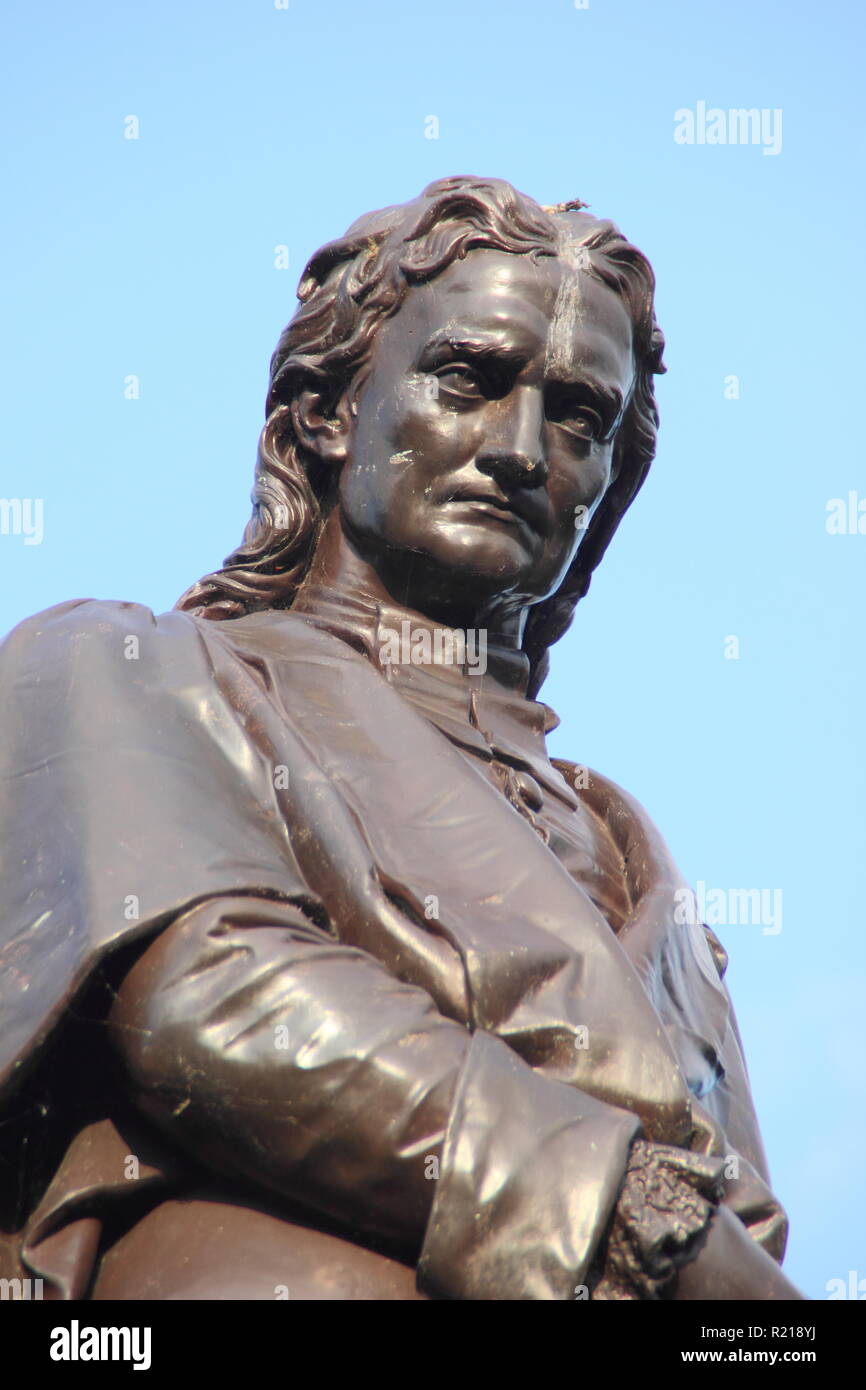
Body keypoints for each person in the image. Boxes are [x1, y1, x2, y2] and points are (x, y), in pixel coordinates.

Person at [0, 176, 801, 1300]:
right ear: (325, 414)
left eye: (579, 417)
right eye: (468, 379)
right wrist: (617, 1203)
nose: (522, 449)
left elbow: (745, 1232)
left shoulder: (627, 848)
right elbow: (206, 995)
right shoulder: (130, 667)